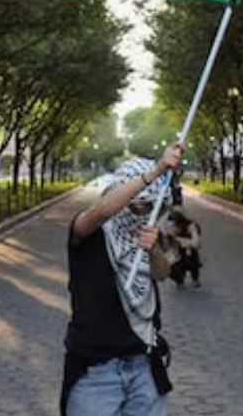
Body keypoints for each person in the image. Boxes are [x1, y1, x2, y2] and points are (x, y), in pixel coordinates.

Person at [61, 144, 183, 416]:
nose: (142, 213)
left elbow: (162, 273)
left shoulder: (148, 230)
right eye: (136, 206)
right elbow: (104, 211)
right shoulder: (89, 229)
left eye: (149, 207)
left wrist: (153, 250)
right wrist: (156, 172)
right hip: (95, 371)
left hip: (144, 363)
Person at [164, 209, 202, 289]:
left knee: (191, 256)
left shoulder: (191, 226)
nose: (172, 228)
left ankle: (195, 278)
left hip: (189, 250)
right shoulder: (168, 230)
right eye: (170, 226)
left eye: (174, 226)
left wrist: (183, 241)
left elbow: (196, 244)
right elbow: (168, 248)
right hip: (177, 251)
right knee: (171, 263)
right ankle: (179, 279)